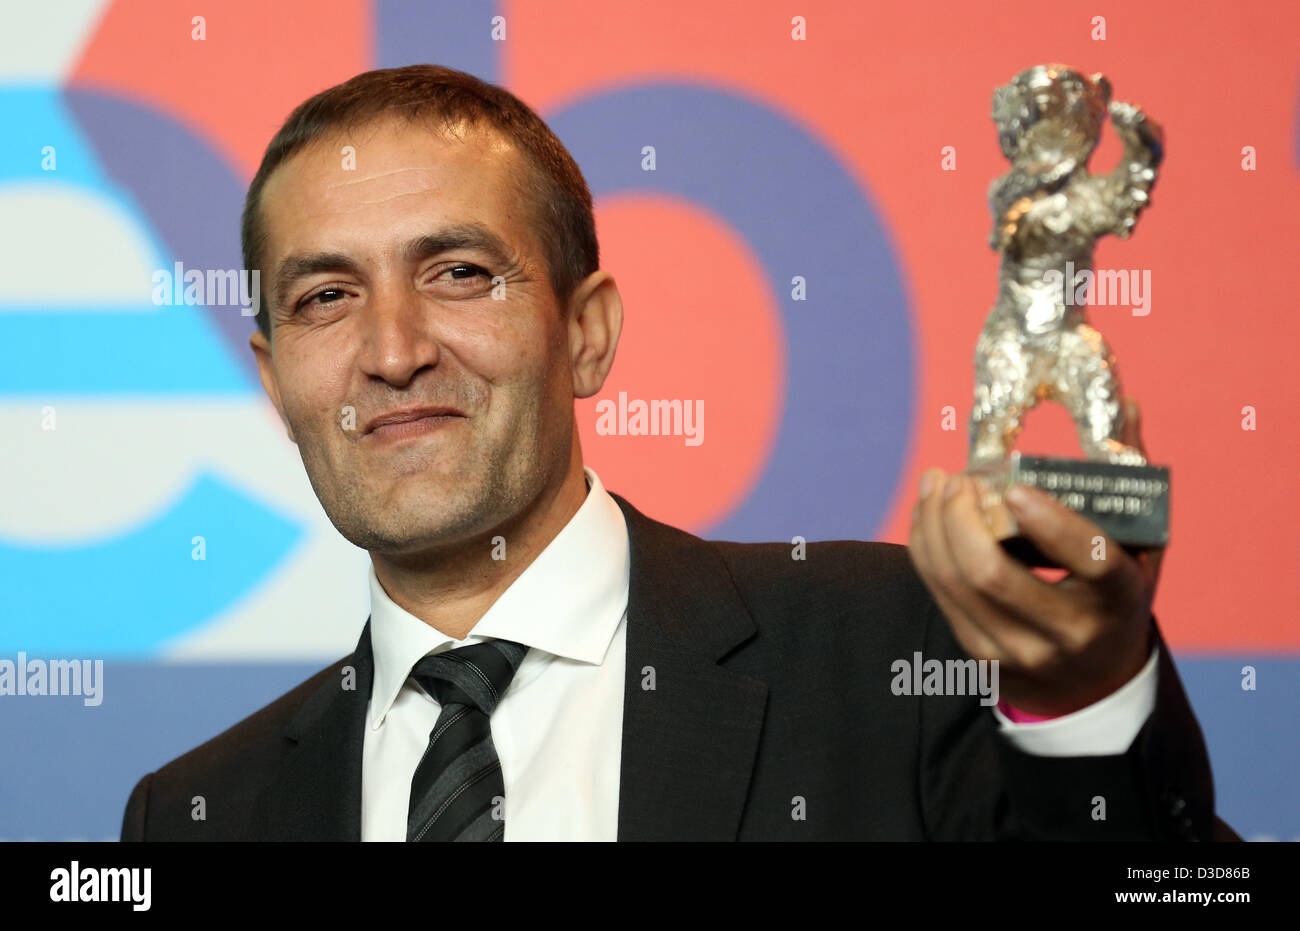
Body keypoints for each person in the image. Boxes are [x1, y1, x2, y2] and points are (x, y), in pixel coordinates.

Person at [119, 65, 1232, 841]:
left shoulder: (892, 645)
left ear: (587, 333)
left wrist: (1086, 705)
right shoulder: (194, 813)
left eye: (459, 272)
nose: (394, 351)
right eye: (326, 296)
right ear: (276, 384)